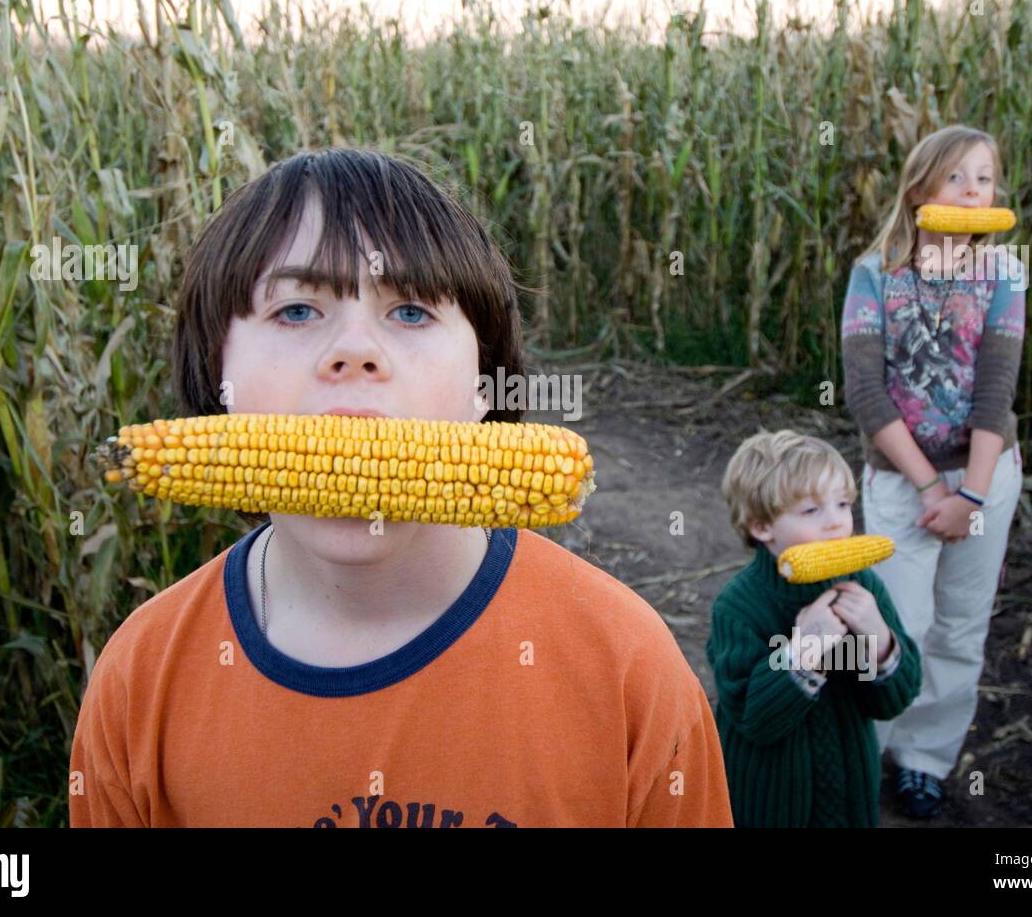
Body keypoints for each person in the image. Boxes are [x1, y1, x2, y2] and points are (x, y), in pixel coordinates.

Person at [69, 148, 733, 827]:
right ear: (218, 377)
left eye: (411, 311)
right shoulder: (139, 684)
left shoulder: (629, 674)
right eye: (297, 310)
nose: (356, 349)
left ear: (486, 385)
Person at [841, 124, 1026, 818]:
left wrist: (971, 493)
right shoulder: (875, 272)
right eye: (956, 178)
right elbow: (865, 390)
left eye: (984, 178)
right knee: (897, 622)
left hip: (984, 473)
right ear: (919, 189)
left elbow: (995, 390)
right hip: (900, 481)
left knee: (960, 625)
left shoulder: (1006, 273)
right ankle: (866, 749)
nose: (973, 192)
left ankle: (924, 760)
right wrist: (929, 487)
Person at [707, 429, 920, 826]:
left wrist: (878, 636)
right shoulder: (740, 607)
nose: (836, 523)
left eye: (843, 504)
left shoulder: (864, 586)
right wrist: (804, 649)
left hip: (848, 782)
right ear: (760, 526)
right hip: (770, 795)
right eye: (812, 511)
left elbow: (894, 701)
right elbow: (754, 720)